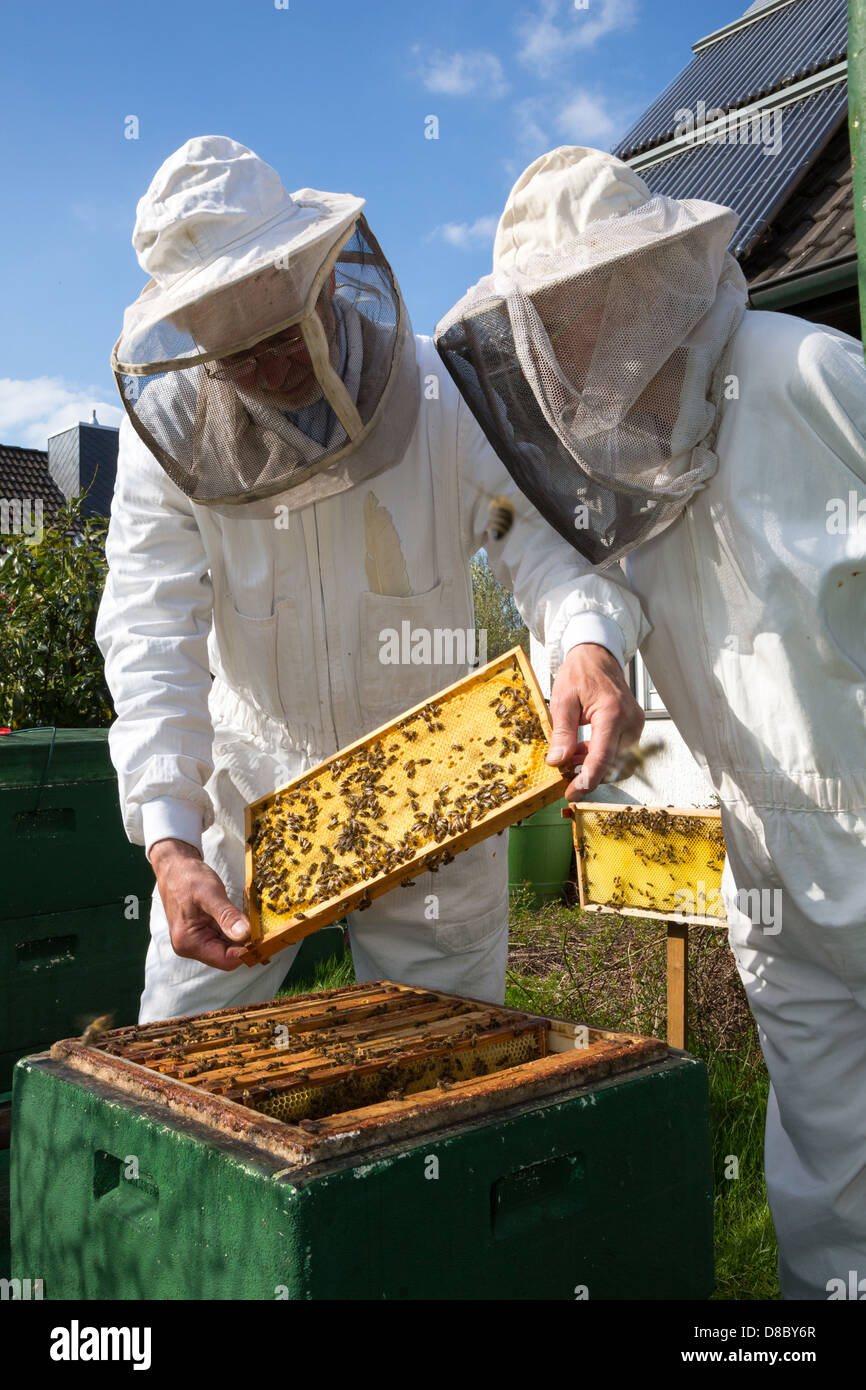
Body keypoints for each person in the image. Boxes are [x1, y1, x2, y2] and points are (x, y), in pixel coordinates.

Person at [434, 145, 866, 1301]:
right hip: (781, 900)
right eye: (551, 321)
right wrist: (587, 653)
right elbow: (594, 603)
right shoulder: (608, 481)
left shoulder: (812, 375)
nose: (582, 342)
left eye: (598, 300)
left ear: (660, 279)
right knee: (827, 1212)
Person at [96, 135, 647, 1028]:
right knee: (179, 1053)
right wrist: (168, 838)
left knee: (444, 1060)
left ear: (317, 277)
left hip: (435, 784)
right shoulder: (169, 449)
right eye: (236, 358)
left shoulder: (437, 392)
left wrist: (586, 640)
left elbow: (529, 535)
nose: (269, 372)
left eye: (279, 338)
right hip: (256, 789)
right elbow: (149, 629)